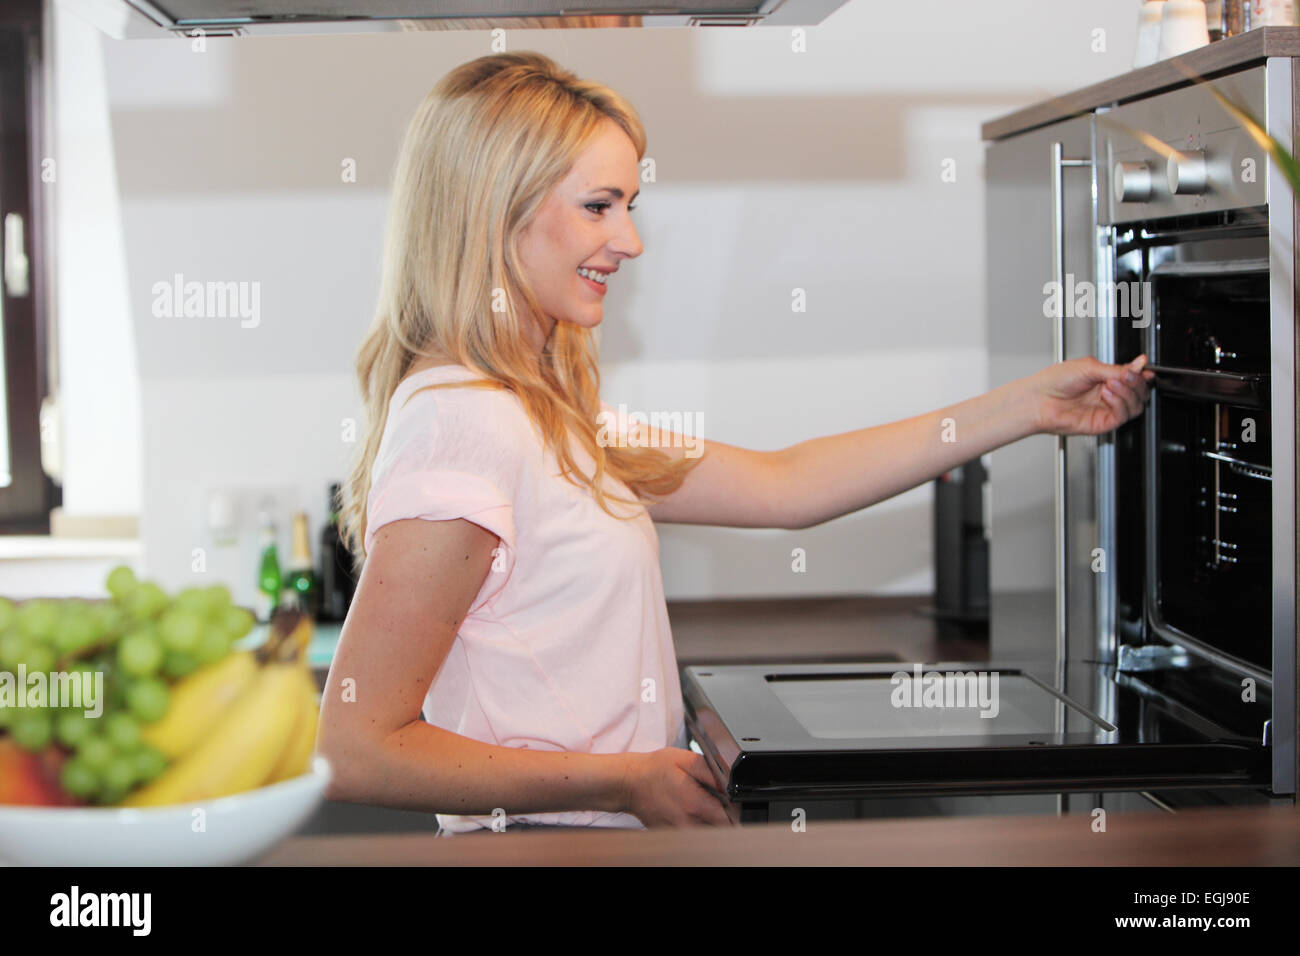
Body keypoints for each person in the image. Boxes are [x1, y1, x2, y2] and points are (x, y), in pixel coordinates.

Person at [316, 51, 1154, 834]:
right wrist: (621, 779)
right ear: (494, 211)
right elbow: (358, 745)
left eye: (629, 208)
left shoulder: (538, 412)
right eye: (599, 207)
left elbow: (787, 485)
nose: (630, 241)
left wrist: (1027, 407)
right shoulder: (463, 424)